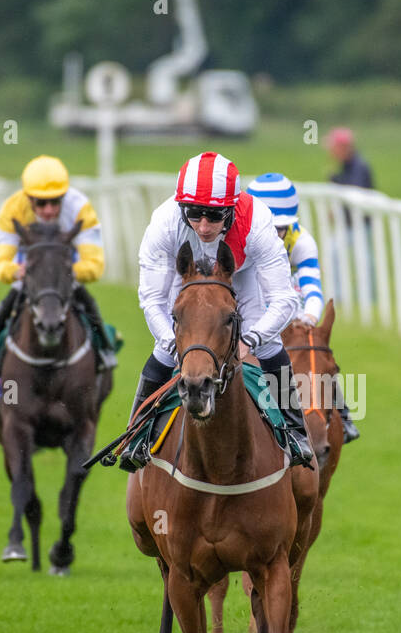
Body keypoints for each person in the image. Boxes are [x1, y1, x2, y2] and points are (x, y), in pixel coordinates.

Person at [121, 151, 312, 471]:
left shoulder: (257, 223)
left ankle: (294, 432)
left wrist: (249, 339)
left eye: (214, 215)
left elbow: (283, 299)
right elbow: (152, 300)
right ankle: (137, 434)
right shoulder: (165, 223)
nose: (204, 226)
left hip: (240, 273)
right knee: (165, 351)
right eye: (194, 214)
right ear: (181, 208)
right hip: (185, 277)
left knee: (270, 345)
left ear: (232, 209)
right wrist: (173, 342)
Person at [244, 172, 360, 443]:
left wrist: (309, 316)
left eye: (279, 229)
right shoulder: (240, 236)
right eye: (268, 228)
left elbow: (312, 288)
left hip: (288, 305)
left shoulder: (302, 241)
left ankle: (342, 415)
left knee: (315, 355)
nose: (273, 236)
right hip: (252, 304)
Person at [0, 155, 115, 371]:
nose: (49, 209)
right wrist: (16, 272)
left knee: (89, 303)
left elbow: (95, 265)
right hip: (30, 272)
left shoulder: (80, 209)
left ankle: (104, 349)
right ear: (28, 198)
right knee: (4, 307)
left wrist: (66, 273)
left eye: (56, 201)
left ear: (64, 197)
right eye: (41, 203)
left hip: (65, 274)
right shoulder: (12, 210)